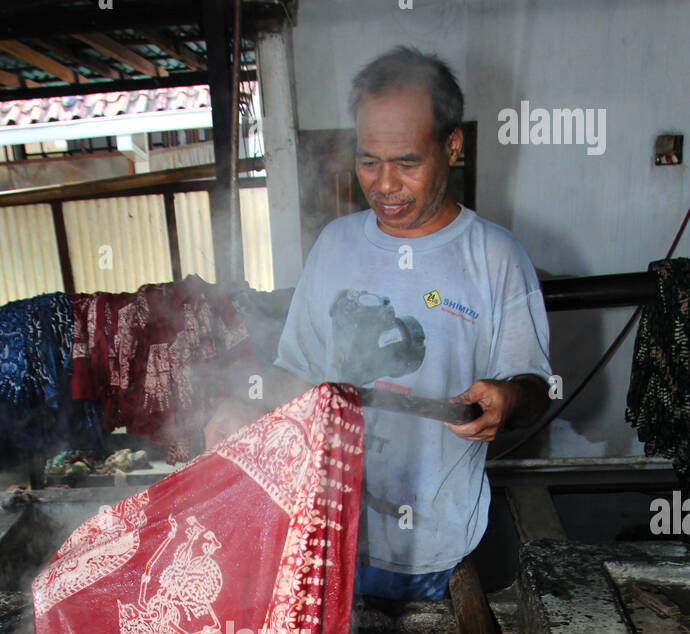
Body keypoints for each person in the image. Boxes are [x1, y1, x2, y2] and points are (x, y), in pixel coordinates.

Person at [206, 46, 552, 602]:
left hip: (438, 549)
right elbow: (296, 370)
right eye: (368, 161)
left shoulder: (495, 257)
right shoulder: (336, 246)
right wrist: (248, 405)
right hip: (326, 532)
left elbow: (535, 388)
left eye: (407, 162)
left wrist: (508, 400)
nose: (384, 184)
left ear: (453, 146)